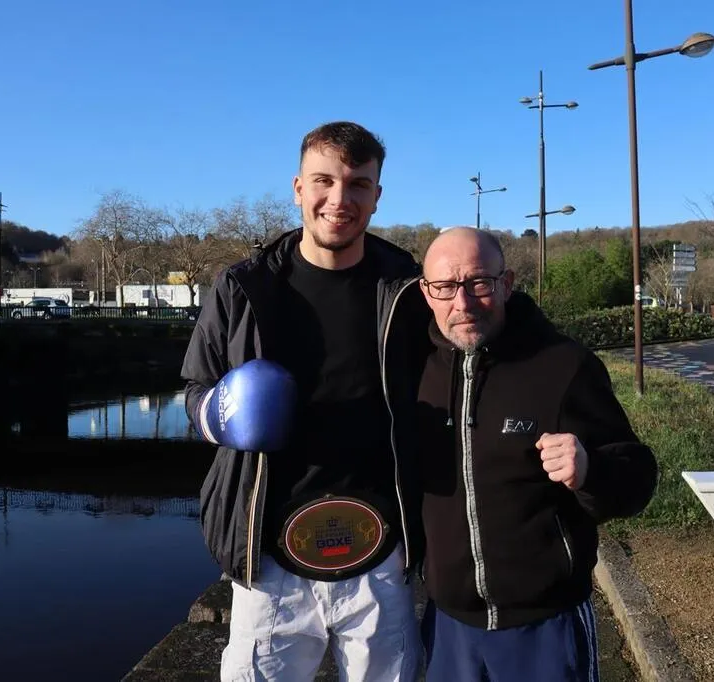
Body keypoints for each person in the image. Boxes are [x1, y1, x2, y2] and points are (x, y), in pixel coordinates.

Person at [181, 121, 430, 682]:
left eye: (358, 184)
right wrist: (225, 416)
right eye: (324, 180)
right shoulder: (242, 287)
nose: (339, 200)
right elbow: (196, 390)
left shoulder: (409, 289)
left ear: (377, 196)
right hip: (270, 555)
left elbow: (478, 325)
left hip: (379, 550)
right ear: (298, 188)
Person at [414, 227, 658, 682]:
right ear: (427, 292)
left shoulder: (563, 366)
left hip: (545, 626)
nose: (461, 304)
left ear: (506, 284)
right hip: (448, 626)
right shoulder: (415, 372)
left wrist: (590, 470)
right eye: (445, 287)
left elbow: (638, 476)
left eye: (478, 283)